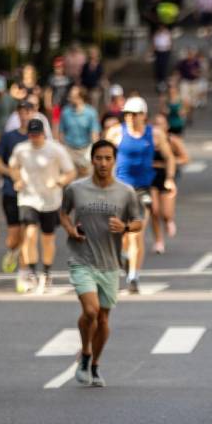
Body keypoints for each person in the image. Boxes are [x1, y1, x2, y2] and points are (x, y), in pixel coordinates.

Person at [61, 139, 145, 388]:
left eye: (108, 158)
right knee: (90, 311)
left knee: (103, 320)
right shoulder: (76, 189)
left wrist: (126, 227)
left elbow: (139, 221)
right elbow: (64, 213)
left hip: (109, 262)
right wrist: (70, 230)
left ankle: (94, 363)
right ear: (92, 159)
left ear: (114, 161)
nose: (103, 163)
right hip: (81, 258)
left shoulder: (125, 192)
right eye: (99, 158)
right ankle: (85, 351)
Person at [106, 96, 174, 293]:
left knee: (137, 234)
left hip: (142, 189)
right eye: (127, 114)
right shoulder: (116, 132)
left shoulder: (155, 135)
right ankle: (126, 258)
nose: (130, 118)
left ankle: (134, 277)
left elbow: (170, 157)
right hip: (118, 188)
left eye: (135, 114)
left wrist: (169, 178)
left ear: (144, 115)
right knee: (121, 234)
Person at [10, 119, 76, 294]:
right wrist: (17, 179)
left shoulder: (55, 149)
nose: (34, 138)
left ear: (43, 134)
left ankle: (46, 272)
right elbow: (13, 167)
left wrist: (58, 181)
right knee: (30, 234)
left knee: (48, 239)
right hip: (28, 198)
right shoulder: (21, 149)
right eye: (31, 135)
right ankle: (31, 272)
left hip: (50, 200)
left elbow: (70, 172)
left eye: (37, 134)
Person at [0, 100, 35, 286]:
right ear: (17, 115)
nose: (25, 115)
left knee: (28, 233)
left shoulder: (38, 138)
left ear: (33, 113)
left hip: (32, 194)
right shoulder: (9, 137)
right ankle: (12, 251)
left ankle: (23, 273)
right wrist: (11, 173)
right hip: (11, 191)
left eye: (28, 112)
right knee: (13, 238)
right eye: (22, 112)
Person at [151, 113, 189, 253]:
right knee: (154, 210)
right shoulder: (147, 140)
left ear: (167, 126)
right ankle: (158, 241)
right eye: (156, 123)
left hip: (167, 177)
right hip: (150, 177)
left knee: (166, 213)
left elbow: (185, 158)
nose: (158, 126)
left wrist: (166, 163)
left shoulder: (172, 140)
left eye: (161, 123)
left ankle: (168, 221)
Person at [59, 86, 101, 177]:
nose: (70, 99)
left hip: (85, 150)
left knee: (86, 178)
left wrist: (93, 151)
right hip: (70, 150)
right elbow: (61, 132)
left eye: (72, 96)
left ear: (80, 97)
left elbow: (94, 134)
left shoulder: (91, 113)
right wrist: (63, 149)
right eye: (70, 96)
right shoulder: (65, 112)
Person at [44, 57, 73, 132]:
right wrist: (48, 103)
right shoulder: (51, 78)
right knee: (55, 122)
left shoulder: (68, 78)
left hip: (67, 104)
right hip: (55, 104)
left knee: (67, 121)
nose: (58, 69)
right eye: (56, 67)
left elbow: (71, 91)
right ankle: (55, 138)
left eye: (60, 67)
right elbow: (48, 91)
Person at [79, 45, 106, 111]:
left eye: (94, 53)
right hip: (85, 87)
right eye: (91, 53)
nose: (92, 55)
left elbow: (101, 76)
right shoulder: (86, 65)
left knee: (94, 103)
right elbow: (82, 76)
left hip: (95, 88)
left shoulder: (99, 65)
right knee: (84, 103)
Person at [152, 25, 173, 91]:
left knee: (164, 66)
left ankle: (163, 80)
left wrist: (169, 50)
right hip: (158, 51)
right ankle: (159, 80)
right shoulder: (156, 34)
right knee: (158, 66)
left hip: (165, 51)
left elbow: (170, 43)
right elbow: (154, 43)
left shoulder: (167, 34)